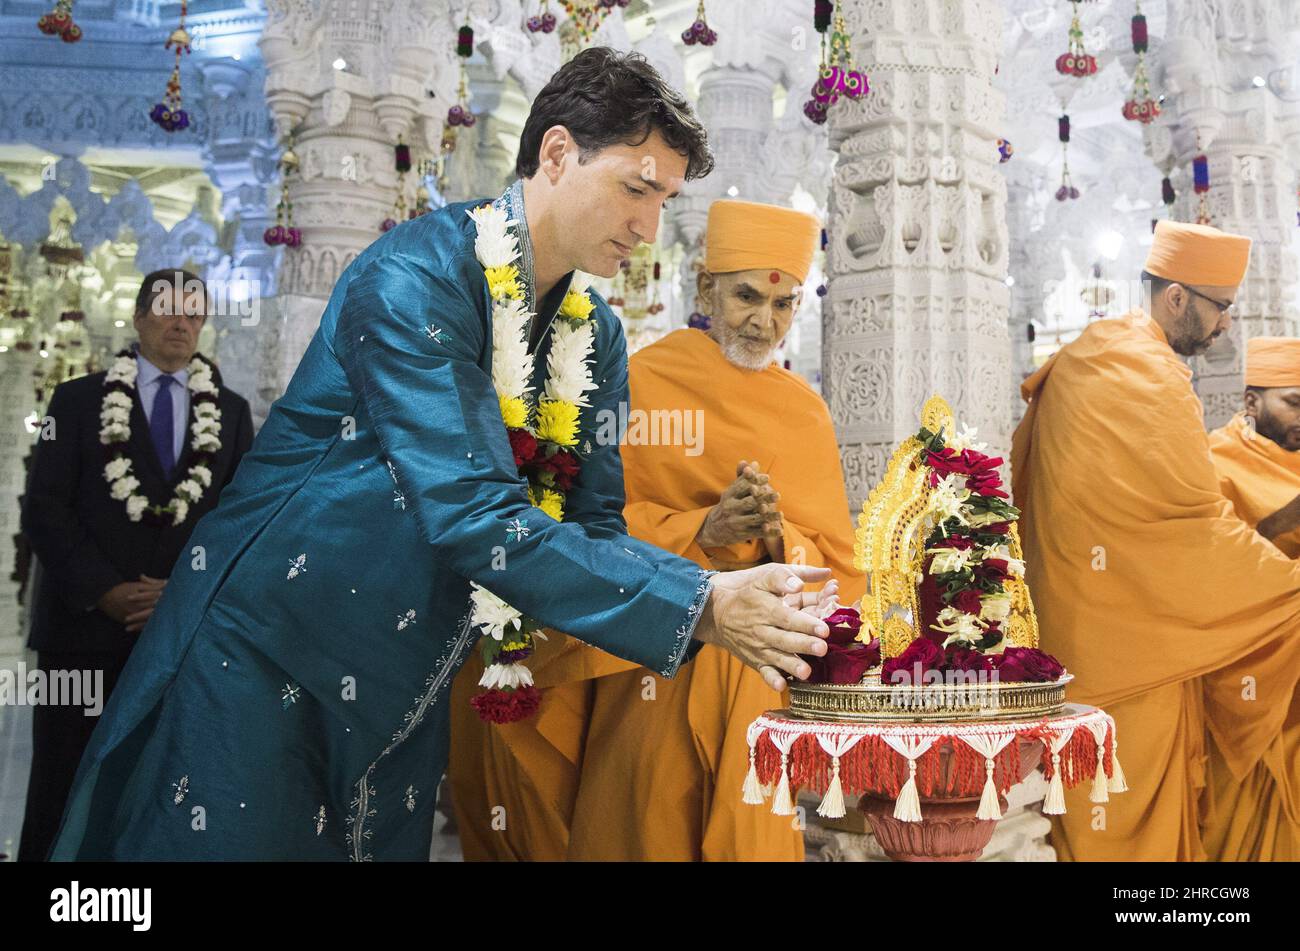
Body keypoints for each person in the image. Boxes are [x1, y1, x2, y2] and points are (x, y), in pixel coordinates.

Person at [48, 47, 831, 862]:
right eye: (637, 189)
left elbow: (595, 524)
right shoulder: (415, 278)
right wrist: (702, 602)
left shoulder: (594, 337)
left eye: (666, 199)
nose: (648, 227)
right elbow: (472, 512)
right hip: (268, 647)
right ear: (558, 154)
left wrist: (730, 594)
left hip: (404, 678)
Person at [451, 199, 865, 861]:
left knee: (749, 817)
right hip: (653, 642)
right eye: (746, 296)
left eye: (783, 306)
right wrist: (703, 527)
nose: (764, 320)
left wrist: (777, 537)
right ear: (706, 287)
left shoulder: (804, 411)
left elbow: (840, 563)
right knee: (642, 816)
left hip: (758, 662)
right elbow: (590, 529)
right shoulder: (643, 381)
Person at [1011, 220, 1300, 861]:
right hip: (1134, 643)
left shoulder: (1094, 353)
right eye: (1220, 307)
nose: (1226, 326)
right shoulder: (1146, 372)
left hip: (1083, 635)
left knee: (1094, 809)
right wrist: (1288, 583)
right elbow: (1190, 530)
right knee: (1125, 821)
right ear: (1177, 298)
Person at [19, 270, 253, 860]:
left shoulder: (231, 411)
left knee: (161, 782)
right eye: (168, 310)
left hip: (179, 635)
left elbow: (240, 519)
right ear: (139, 317)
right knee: (62, 783)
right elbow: (45, 508)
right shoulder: (75, 401)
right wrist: (105, 590)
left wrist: (182, 592)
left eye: (194, 313)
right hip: (83, 632)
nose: (181, 323)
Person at [1203, 336, 1300, 860]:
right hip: (1249, 674)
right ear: (1251, 402)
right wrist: (1287, 518)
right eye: (1295, 401)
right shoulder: (1212, 462)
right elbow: (1202, 568)